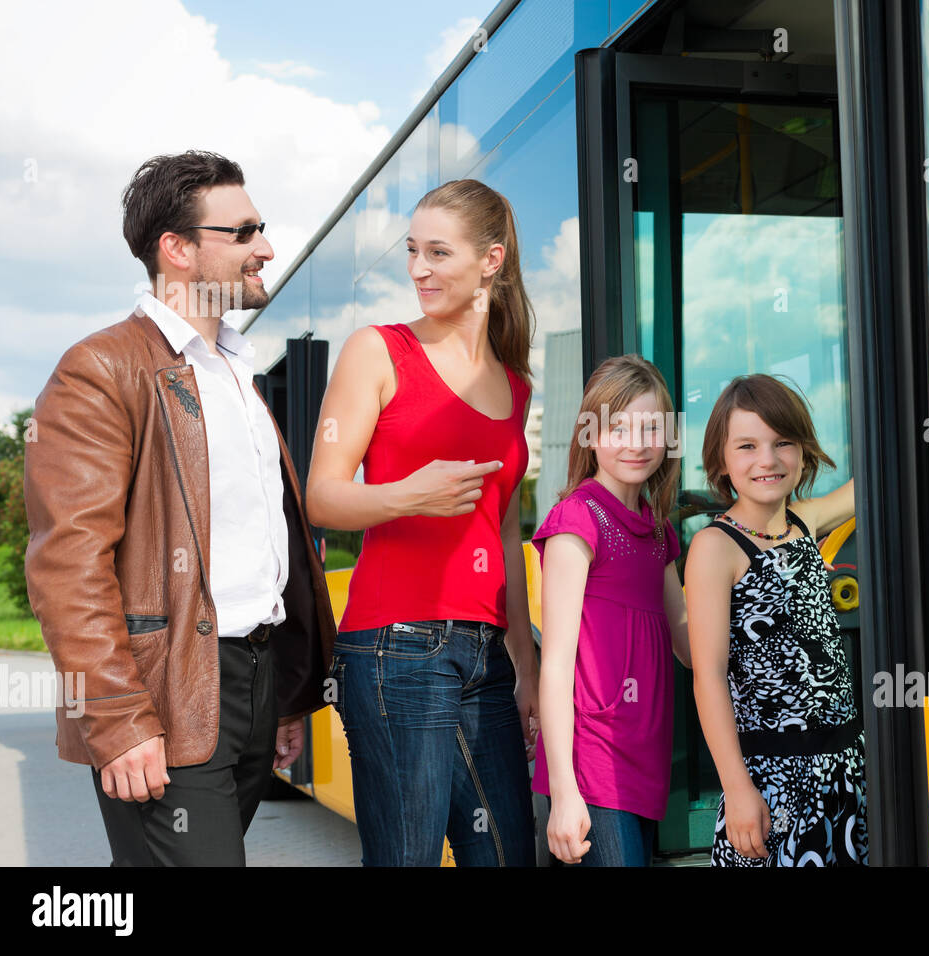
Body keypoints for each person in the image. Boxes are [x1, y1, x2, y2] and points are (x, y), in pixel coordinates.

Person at [23, 150, 336, 866]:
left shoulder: (234, 369)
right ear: (179, 250)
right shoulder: (100, 370)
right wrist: (116, 718)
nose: (266, 247)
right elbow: (68, 564)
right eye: (246, 231)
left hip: (250, 686)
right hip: (166, 692)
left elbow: (263, 545)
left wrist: (284, 692)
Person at [305, 179, 537, 866]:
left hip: (487, 654)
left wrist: (524, 661)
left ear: (491, 261)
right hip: (395, 650)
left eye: (439, 252)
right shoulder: (377, 351)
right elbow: (322, 495)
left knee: (504, 854)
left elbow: (505, 533)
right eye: (412, 251)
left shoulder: (515, 383)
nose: (418, 269)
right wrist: (408, 495)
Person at [684, 373, 866, 866]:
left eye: (782, 442)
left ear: (803, 452)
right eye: (746, 446)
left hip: (844, 773)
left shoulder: (805, 523)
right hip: (772, 782)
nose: (767, 460)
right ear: (722, 461)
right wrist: (738, 789)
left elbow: (875, 475)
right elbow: (709, 679)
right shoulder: (715, 548)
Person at [531, 355, 690, 867]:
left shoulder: (659, 530)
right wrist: (564, 792)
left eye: (650, 427)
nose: (636, 442)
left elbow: (687, 645)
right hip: (592, 765)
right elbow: (554, 664)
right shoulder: (577, 519)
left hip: (645, 761)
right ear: (590, 433)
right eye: (617, 427)